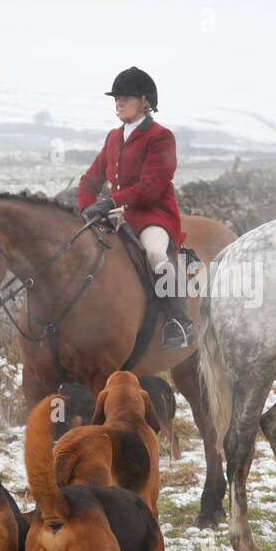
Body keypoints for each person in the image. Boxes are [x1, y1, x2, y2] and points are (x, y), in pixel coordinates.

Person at [78, 66, 194, 347]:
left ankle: (180, 321)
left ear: (144, 102)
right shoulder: (114, 137)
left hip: (154, 215)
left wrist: (108, 202)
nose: (119, 102)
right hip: (120, 216)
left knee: (154, 252)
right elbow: (89, 179)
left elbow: (151, 186)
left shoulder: (161, 136)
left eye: (126, 97)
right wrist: (86, 209)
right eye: (116, 97)